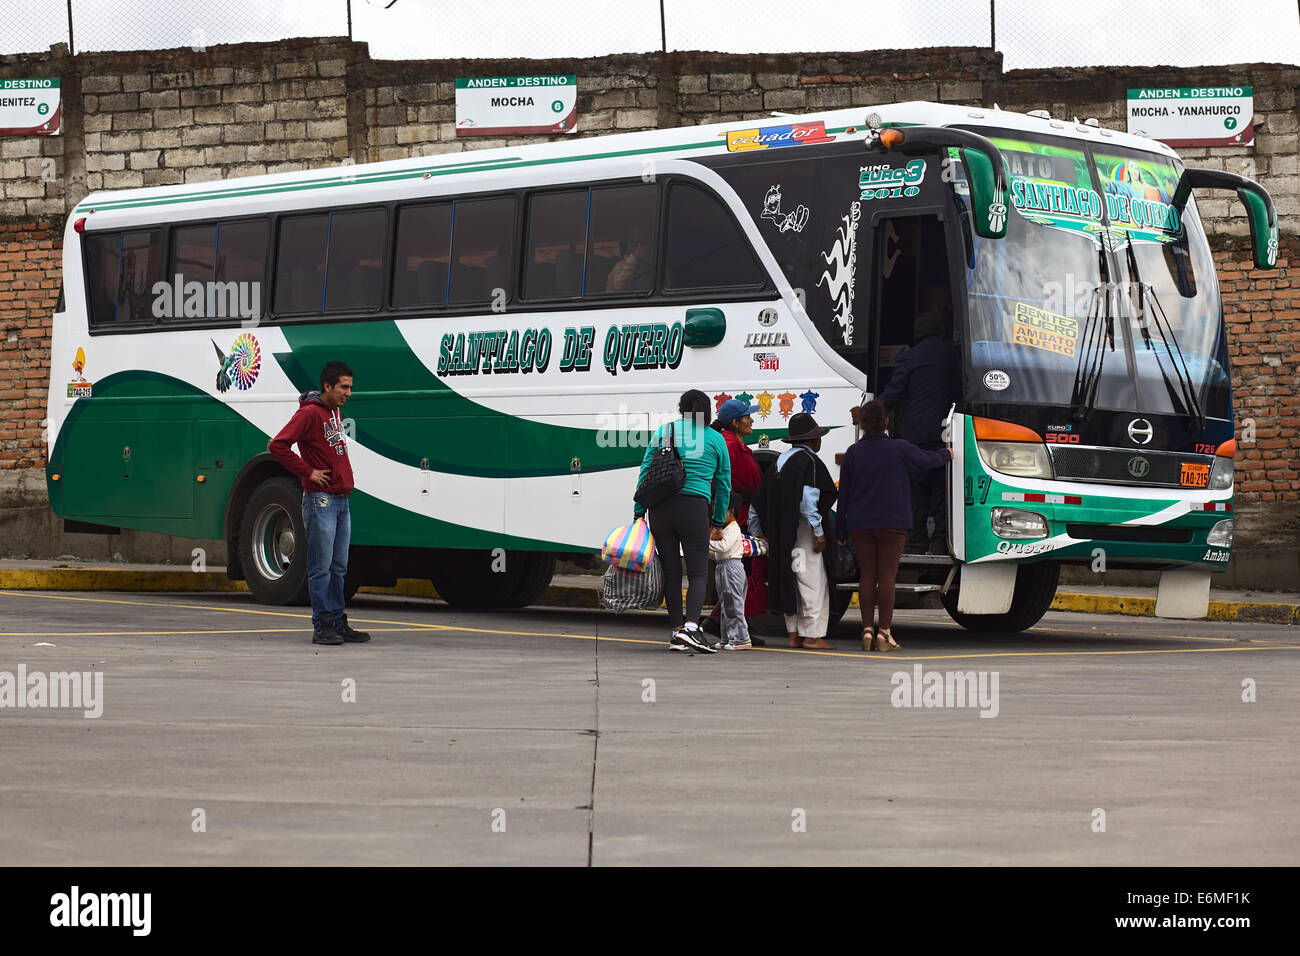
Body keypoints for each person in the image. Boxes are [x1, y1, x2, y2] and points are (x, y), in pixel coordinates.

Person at [268, 361, 371, 647]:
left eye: (350, 387)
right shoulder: (310, 413)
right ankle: (322, 625)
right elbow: (278, 445)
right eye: (344, 387)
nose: (348, 393)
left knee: (339, 566)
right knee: (320, 567)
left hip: (341, 501)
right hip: (320, 501)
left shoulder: (334, 411)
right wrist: (308, 472)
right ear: (327, 386)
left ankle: (337, 621)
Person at [838, 399, 952, 652]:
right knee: (887, 577)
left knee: (867, 576)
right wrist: (947, 453)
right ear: (887, 422)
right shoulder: (900, 448)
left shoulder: (853, 453)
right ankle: (885, 633)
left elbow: (843, 494)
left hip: (859, 523)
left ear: (862, 424)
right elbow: (926, 461)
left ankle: (867, 629)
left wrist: (840, 531)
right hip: (892, 523)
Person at [633, 389, 731, 653]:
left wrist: (638, 511)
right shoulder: (716, 439)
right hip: (694, 508)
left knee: (672, 572)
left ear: (682, 408)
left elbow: (647, 471)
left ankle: (676, 632)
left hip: (661, 509)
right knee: (698, 572)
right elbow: (723, 483)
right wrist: (719, 521)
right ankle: (690, 627)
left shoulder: (665, 432)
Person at [751, 412, 839, 650]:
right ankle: (812, 635)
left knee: (791, 581)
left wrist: (758, 531)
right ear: (812, 441)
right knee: (812, 582)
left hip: (781, 536)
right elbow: (808, 502)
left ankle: (793, 634)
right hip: (803, 532)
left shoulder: (778, 463)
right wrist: (818, 531)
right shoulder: (809, 462)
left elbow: (757, 503)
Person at [879, 310, 958, 554]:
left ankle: (917, 540)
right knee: (943, 491)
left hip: (917, 434)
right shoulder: (954, 354)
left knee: (916, 492)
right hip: (949, 431)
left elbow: (892, 394)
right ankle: (940, 542)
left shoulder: (911, 357)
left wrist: (870, 411)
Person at [701, 398, 767, 645]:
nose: (752, 420)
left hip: (740, 515)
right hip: (736, 519)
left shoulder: (735, 444)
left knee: (742, 575)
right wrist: (723, 516)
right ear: (735, 422)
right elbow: (716, 480)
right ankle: (728, 624)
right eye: (747, 416)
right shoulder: (729, 445)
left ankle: (722, 620)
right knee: (740, 575)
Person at [708, 493, 769, 650]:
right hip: (723, 566)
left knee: (733, 604)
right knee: (725, 604)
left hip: (731, 568)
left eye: (720, 511)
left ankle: (741, 639)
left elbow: (723, 547)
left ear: (731, 512)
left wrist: (704, 542)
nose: (716, 515)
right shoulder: (726, 528)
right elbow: (719, 552)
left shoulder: (733, 529)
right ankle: (727, 637)